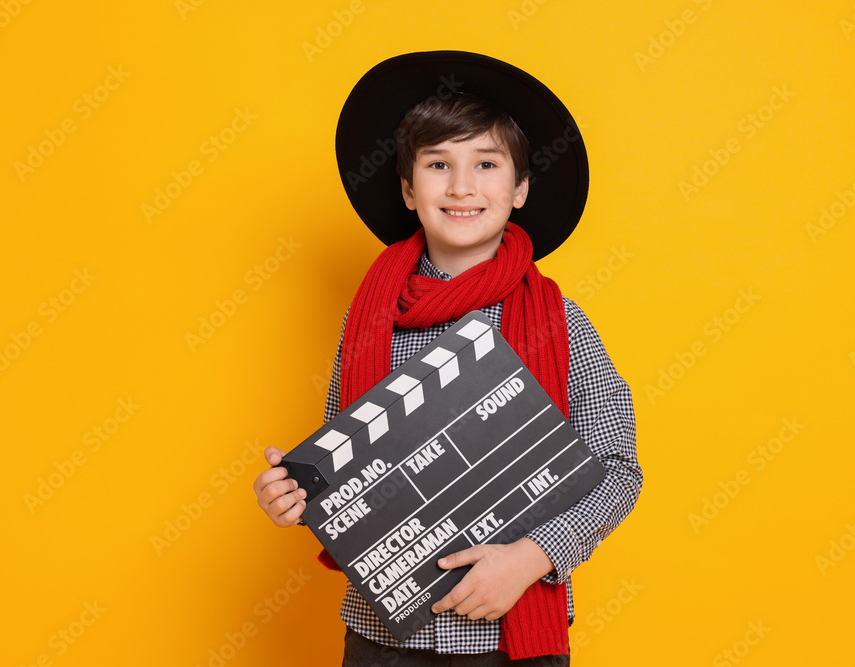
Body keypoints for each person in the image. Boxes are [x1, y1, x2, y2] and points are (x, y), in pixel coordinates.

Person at [253, 51, 643, 665]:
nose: (461, 186)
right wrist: (294, 495)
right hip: (383, 637)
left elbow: (617, 470)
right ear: (409, 190)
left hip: (508, 633)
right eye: (438, 164)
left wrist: (532, 556)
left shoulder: (559, 322)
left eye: (486, 164)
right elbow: (347, 481)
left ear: (520, 188)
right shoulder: (370, 322)